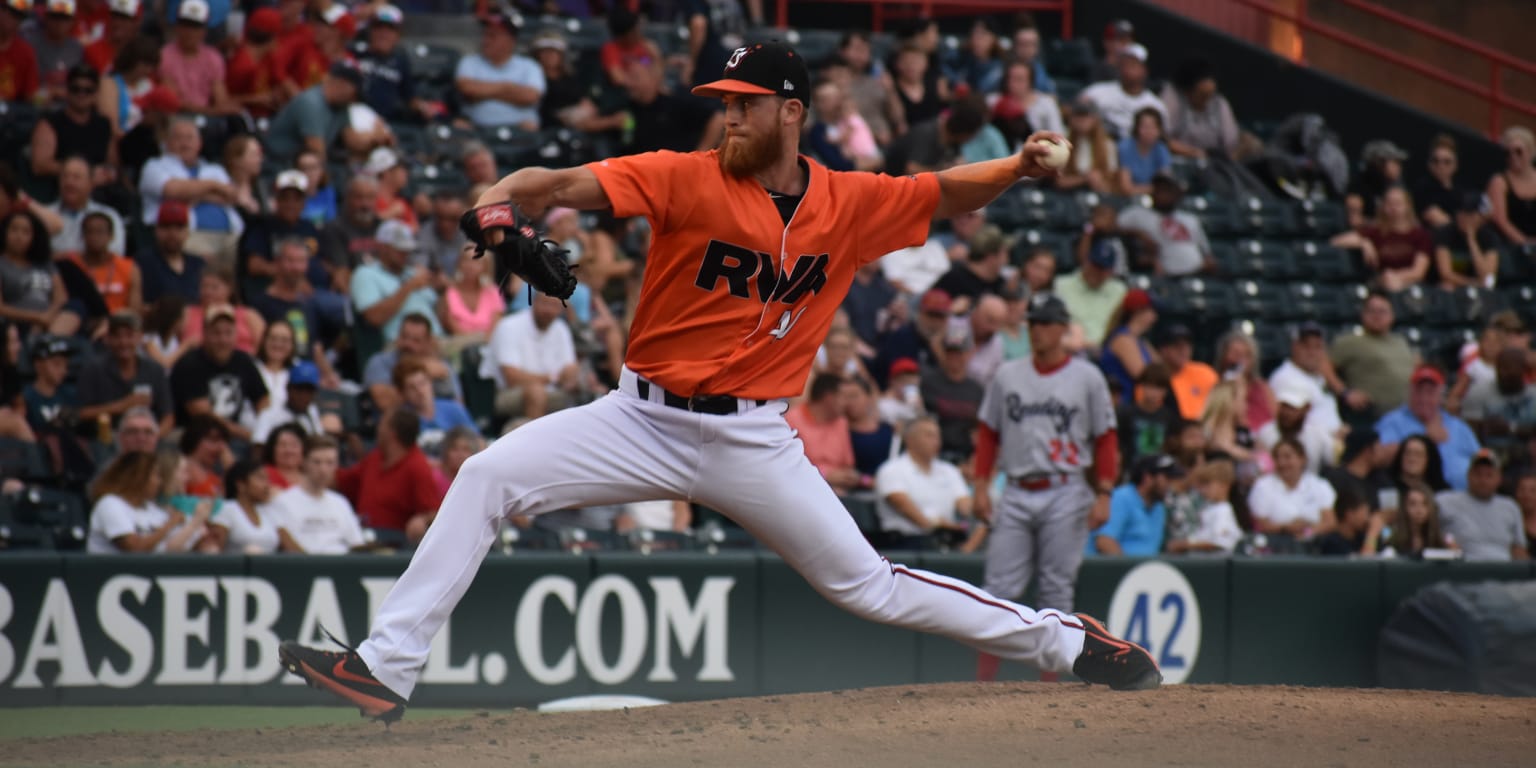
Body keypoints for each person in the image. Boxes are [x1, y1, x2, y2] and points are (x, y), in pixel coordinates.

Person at [279, 42, 1159, 722]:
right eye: (722, 105)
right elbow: (552, 182)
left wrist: (1015, 167)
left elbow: (940, 191)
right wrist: (499, 208)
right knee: (485, 475)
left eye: (743, 106)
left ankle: (1063, 641)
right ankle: (385, 668)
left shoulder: (848, 202)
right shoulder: (683, 178)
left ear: (790, 111)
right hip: (640, 417)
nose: (728, 119)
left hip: (754, 439)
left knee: (868, 586)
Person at [971, 293, 1119, 682]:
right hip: (1017, 489)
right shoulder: (1008, 374)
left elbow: (1105, 438)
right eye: (1033, 322)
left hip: (1066, 487)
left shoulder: (1087, 377)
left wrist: (1105, 492)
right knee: (996, 589)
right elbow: (988, 433)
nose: (1037, 329)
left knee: (1055, 592)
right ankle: (983, 684)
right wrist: (981, 485)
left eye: (1045, 322)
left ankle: (1048, 688)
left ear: (1062, 328)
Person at [138, 117, 243, 268]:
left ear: (199, 143)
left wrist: (191, 193)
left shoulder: (215, 169)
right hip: (185, 238)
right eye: (178, 138)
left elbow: (232, 196)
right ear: (167, 143)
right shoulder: (155, 166)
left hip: (230, 236)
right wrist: (213, 185)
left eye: (190, 138)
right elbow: (172, 190)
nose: (185, 143)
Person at [334, 407, 442, 544]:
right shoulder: (375, 457)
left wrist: (423, 520)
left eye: (381, 424)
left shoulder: (418, 467)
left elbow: (435, 513)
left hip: (395, 543)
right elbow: (341, 480)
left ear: (392, 433)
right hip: (362, 538)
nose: (378, 429)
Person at [1376, 366, 1480, 491]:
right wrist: (1426, 440)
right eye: (1419, 391)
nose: (1424, 398)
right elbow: (1378, 457)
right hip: (1414, 496)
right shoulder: (1393, 421)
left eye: (1430, 392)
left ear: (1441, 396)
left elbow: (1479, 459)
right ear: (1410, 392)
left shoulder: (1458, 426)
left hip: (1462, 497)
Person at [169, 308, 268, 439]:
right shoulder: (189, 364)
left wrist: (263, 428)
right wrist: (250, 435)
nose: (223, 339)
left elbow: (263, 400)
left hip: (233, 436)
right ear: (204, 334)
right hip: (192, 435)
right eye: (216, 333)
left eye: (228, 333)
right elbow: (204, 417)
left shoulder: (243, 361)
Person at [873, 415, 969, 550]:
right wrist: (939, 525)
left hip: (947, 540)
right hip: (905, 543)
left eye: (937, 436)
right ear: (910, 439)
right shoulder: (891, 470)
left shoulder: (950, 470)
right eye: (929, 435)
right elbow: (906, 509)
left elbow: (966, 506)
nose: (936, 441)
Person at [87, 450, 210, 553]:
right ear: (139, 477)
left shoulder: (151, 508)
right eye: (155, 475)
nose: (159, 482)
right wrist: (171, 523)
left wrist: (196, 527)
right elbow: (135, 549)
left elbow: (169, 548)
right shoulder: (110, 504)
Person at [484, 292, 580, 421]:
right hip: (503, 393)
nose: (548, 310)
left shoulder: (561, 328)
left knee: (586, 388)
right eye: (545, 303)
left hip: (551, 389)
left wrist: (570, 377)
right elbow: (512, 378)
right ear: (534, 302)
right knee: (536, 392)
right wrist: (553, 378)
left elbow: (570, 368)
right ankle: (537, 440)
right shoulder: (509, 326)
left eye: (554, 306)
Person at [77, 312, 173, 433]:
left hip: (147, 439)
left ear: (140, 337)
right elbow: (81, 413)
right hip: (105, 438)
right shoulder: (93, 369)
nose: (123, 342)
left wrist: (152, 438)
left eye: (129, 336)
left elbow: (168, 417)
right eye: (117, 336)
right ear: (108, 339)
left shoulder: (155, 370)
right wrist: (123, 405)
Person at [1329, 290, 1414, 419]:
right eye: (1371, 311)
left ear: (1392, 316)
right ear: (1363, 315)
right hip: (1371, 417)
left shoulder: (1401, 342)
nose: (1377, 315)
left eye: (1382, 311)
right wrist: (1345, 392)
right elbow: (1323, 365)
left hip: (1407, 415)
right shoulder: (1351, 341)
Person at [274, 434, 365, 554]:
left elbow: (357, 544)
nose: (323, 470)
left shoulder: (340, 503)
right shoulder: (283, 502)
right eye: (317, 462)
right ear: (304, 462)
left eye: (330, 463)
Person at [1332, 185, 1433, 292]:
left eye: (1398, 204)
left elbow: (1418, 272)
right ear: (1383, 206)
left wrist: (1394, 276)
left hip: (1410, 284)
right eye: (1389, 203)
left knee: (1392, 282)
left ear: (1407, 206)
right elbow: (1336, 241)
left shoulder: (1420, 234)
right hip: (1379, 283)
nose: (1393, 207)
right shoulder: (1376, 231)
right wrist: (1363, 242)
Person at [352, 220, 439, 344]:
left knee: (474, 341)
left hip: (437, 341)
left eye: (408, 249)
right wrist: (409, 286)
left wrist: (442, 286)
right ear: (382, 247)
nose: (406, 254)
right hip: (403, 347)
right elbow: (374, 317)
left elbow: (437, 309)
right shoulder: (365, 273)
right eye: (400, 249)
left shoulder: (413, 272)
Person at [455, 12, 544, 130]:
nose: (486, 40)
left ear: (510, 41)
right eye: (485, 34)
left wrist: (482, 93)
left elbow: (530, 97)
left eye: (493, 36)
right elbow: (467, 90)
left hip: (521, 131)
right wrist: (509, 89)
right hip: (478, 129)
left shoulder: (529, 65)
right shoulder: (469, 62)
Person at [1434, 450, 1528, 561]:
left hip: (1503, 572)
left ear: (1499, 479)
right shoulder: (1444, 501)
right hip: (1462, 570)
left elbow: (1519, 549)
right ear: (1468, 475)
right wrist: (1447, 541)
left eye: (1489, 475)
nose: (1483, 480)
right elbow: (1429, 533)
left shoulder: (1511, 507)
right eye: (1478, 474)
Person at [1116, 171, 1213, 277]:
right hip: (1164, 275)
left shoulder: (1190, 219)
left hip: (1196, 272)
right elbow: (1111, 227)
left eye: (1167, 190)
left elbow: (1206, 252)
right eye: (1159, 189)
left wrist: (1209, 264)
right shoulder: (1137, 214)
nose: (1162, 193)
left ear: (1177, 194)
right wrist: (1137, 233)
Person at [1247, 437, 1337, 550]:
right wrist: (1287, 528)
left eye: (1287, 457)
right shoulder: (1262, 486)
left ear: (1302, 459)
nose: (1282, 463)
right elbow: (1261, 524)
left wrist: (1307, 532)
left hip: (1315, 543)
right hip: (1275, 545)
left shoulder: (1319, 485)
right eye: (1277, 458)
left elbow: (1330, 521)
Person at [33, 68, 116, 189]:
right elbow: (40, 166)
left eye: (88, 90)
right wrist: (86, 174)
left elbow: (112, 162)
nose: (81, 94)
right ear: (67, 91)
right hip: (61, 189)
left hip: (100, 189)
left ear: (96, 94)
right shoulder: (50, 122)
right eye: (75, 89)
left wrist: (108, 173)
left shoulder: (103, 124)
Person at [1, 211, 76, 336]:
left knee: (76, 306)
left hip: (50, 319)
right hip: (17, 322)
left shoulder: (44, 263)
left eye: (26, 232)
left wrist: (47, 317)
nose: (19, 236)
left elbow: (61, 296)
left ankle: (49, 340)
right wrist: (36, 318)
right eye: (14, 230)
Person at [203, 458, 303, 554]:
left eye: (267, 479)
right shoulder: (228, 510)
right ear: (241, 484)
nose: (267, 485)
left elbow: (293, 549)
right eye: (260, 478)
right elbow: (214, 550)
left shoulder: (271, 512)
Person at [1089, 454, 1178, 556]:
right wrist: (1128, 569)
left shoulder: (1159, 508)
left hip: (1149, 569)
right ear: (1147, 478)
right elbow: (1104, 542)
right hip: (1116, 570)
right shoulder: (1121, 497)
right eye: (1167, 478)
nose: (1170, 484)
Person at [1268, 322, 1343, 439]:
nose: (1312, 352)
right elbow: (1290, 423)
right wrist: (1333, 434)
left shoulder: (1319, 376)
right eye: (1306, 346)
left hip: (1333, 442)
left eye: (1318, 347)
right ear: (1294, 347)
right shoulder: (1285, 377)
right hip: (1302, 444)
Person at [922, 322, 985, 462]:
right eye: (951, 352)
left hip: (966, 455)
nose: (955, 357)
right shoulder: (928, 383)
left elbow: (980, 429)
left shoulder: (976, 389)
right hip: (936, 453)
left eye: (959, 353)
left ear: (969, 354)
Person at [1052, 237, 1126, 353]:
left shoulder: (1119, 291)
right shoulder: (1061, 285)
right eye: (1095, 265)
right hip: (1071, 349)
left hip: (1107, 351)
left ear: (1111, 271)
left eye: (1103, 269)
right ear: (1086, 261)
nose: (1096, 272)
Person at [1079, 43, 1165, 139]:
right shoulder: (1097, 92)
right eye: (1124, 64)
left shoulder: (1155, 105)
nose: (1127, 69)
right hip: (1101, 147)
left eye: (1133, 64)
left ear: (1145, 69)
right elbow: (1074, 110)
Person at [45, 155, 124, 257]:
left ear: (90, 183)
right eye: (65, 176)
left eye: (76, 177)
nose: (69, 182)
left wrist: (69, 258)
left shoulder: (109, 216)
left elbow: (114, 255)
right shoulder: (45, 214)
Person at [65, 211, 138, 315]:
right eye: (89, 232)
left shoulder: (129, 267)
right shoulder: (72, 267)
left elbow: (135, 310)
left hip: (120, 323)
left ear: (111, 236)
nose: (94, 237)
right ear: (82, 236)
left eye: (100, 232)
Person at [1164, 458, 1243, 555]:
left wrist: (1184, 545)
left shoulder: (1223, 510)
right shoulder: (1207, 506)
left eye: (1208, 484)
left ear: (1224, 486)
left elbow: (1219, 543)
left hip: (1218, 565)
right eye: (1202, 485)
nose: (1203, 490)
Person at [394, 357, 474, 452]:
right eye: (412, 387)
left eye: (422, 383)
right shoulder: (400, 421)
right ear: (402, 393)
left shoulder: (454, 409)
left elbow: (478, 442)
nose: (420, 391)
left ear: (430, 383)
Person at [135, 201, 206, 304]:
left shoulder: (198, 264)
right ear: (156, 230)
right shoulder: (143, 262)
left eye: (179, 227)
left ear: (187, 232)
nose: (172, 233)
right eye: (166, 227)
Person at [1256, 382, 1335, 474]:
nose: (1286, 413)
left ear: (1307, 408)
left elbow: (1332, 462)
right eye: (1284, 406)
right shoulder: (1266, 433)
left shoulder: (1318, 434)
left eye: (1292, 408)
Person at [1098, 288, 1158, 404]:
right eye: (1152, 311)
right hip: (1120, 404)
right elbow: (1144, 374)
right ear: (1139, 311)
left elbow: (1161, 371)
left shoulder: (1141, 341)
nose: (1155, 317)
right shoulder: (1123, 339)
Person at [987, 58, 1063, 150]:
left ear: (1030, 81)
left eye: (1019, 79)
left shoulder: (1046, 104)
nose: (1013, 84)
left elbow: (1058, 136)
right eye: (1010, 78)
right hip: (1002, 157)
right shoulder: (993, 101)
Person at [1117, 362, 1179, 469]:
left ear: (1166, 391)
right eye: (1150, 386)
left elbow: (1171, 445)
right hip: (1131, 468)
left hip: (1158, 470)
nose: (1154, 392)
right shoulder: (1126, 412)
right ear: (1142, 386)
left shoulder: (1168, 416)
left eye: (1159, 388)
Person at [1372, 481, 1454, 558]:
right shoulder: (1389, 533)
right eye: (1413, 504)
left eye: (1424, 504)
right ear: (1404, 508)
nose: (1419, 510)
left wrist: (1453, 549)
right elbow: (1371, 557)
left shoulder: (1442, 538)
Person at [1485, 126, 1536, 246]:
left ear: (1530, 152)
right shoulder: (1499, 182)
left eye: (1518, 151)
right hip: (1511, 245)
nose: (1513, 156)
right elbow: (1500, 221)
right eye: (1508, 153)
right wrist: (1526, 243)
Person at [1216, 330, 1275, 433]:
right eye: (1236, 353)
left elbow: (1276, 419)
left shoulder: (1263, 388)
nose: (1241, 360)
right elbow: (1238, 420)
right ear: (1223, 355)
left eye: (1247, 355)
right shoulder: (1216, 388)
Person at [1157, 324, 1218, 421]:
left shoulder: (1205, 373)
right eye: (1177, 346)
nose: (1183, 350)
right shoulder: (1155, 376)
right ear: (1163, 350)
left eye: (1188, 345)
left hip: (1202, 430)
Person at [1057, 101, 1118, 194]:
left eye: (1086, 116)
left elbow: (1112, 183)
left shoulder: (1107, 145)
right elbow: (1059, 182)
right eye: (1078, 116)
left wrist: (1098, 181)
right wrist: (1084, 179)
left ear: (1094, 119)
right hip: (1068, 195)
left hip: (1098, 194)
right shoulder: (1062, 141)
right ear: (1071, 119)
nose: (1081, 121)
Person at [1116, 108, 1173, 195]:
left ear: (1160, 130)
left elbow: (1164, 184)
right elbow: (1125, 187)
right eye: (1145, 127)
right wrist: (1153, 189)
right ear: (1137, 128)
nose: (1149, 131)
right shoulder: (1125, 147)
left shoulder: (1161, 149)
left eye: (1153, 127)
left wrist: (1156, 189)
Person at [1314, 489, 1371, 556]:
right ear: (1350, 514)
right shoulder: (1332, 543)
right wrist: (1372, 533)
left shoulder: (1361, 537)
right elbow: (1363, 562)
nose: (1367, 518)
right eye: (1364, 514)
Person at [262, 422, 306, 490]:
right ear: (272, 449)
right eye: (282, 445)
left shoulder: (311, 476)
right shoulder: (263, 474)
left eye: (294, 445)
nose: (288, 450)